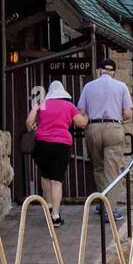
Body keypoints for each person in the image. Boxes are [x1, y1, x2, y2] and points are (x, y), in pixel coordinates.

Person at [26, 81, 87, 226]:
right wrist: (86, 115)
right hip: (61, 145)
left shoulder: (42, 104)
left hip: (41, 144)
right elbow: (82, 123)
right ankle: (55, 215)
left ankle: (48, 206)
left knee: (45, 176)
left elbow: (29, 122)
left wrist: (35, 126)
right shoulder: (69, 106)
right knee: (56, 180)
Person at [76, 58, 133, 198]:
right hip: (114, 127)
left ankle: (102, 202)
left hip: (93, 127)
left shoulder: (88, 86)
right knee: (112, 170)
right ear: (114, 72)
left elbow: (81, 111)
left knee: (98, 168)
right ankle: (110, 209)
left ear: (100, 71)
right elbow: (127, 113)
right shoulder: (121, 86)